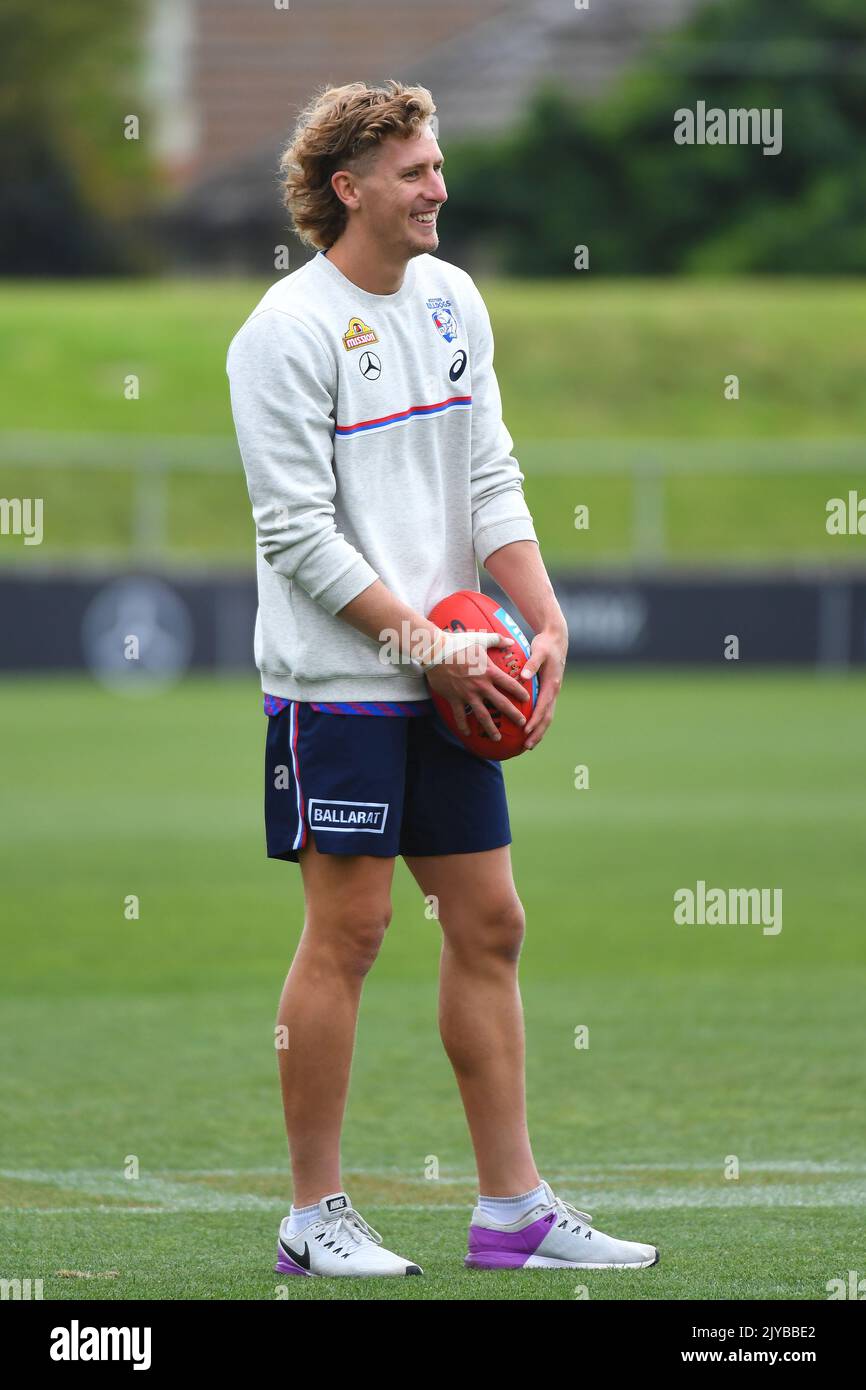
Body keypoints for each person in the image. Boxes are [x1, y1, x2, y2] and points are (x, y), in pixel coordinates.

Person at [227, 79, 658, 1278]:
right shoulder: (284, 332)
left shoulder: (454, 299)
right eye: (414, 171)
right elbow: (297, 535)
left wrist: (542, 612)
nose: (438, 189)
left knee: (490, 920)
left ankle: (510, 1209)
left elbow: (489, 475)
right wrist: (424, 643)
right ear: (347, 187)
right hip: (342, 684)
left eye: (437, 165)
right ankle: (312, 1218)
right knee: (350, 931)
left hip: (454, 674)